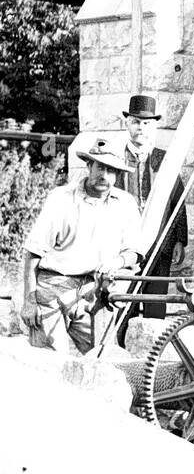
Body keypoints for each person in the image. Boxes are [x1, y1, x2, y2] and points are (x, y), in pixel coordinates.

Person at [21, 139, 142, 354]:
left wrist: (118, 262)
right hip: (53, 287)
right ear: (89, 166)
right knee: (50, 365)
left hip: (95, 291)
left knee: (104, 360)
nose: (104, 175)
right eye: (100, 167)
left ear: (119, 175)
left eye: (111, 171)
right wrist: (29, 301)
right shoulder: (61, 199)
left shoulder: (126, 203)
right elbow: (33, 252)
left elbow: (134, 252)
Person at [114, 94, 189, 331]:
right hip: (125, 245)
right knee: (125, 304)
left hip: (159, 243)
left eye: (146, 123)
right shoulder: (115, 158)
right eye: (136, 121)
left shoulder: (164, 158)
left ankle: (151, 362)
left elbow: (178, 200)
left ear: (154, 126)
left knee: (156, 307)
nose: (141, 128)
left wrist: (180, 239)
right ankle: (123, 358)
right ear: (127, 123)